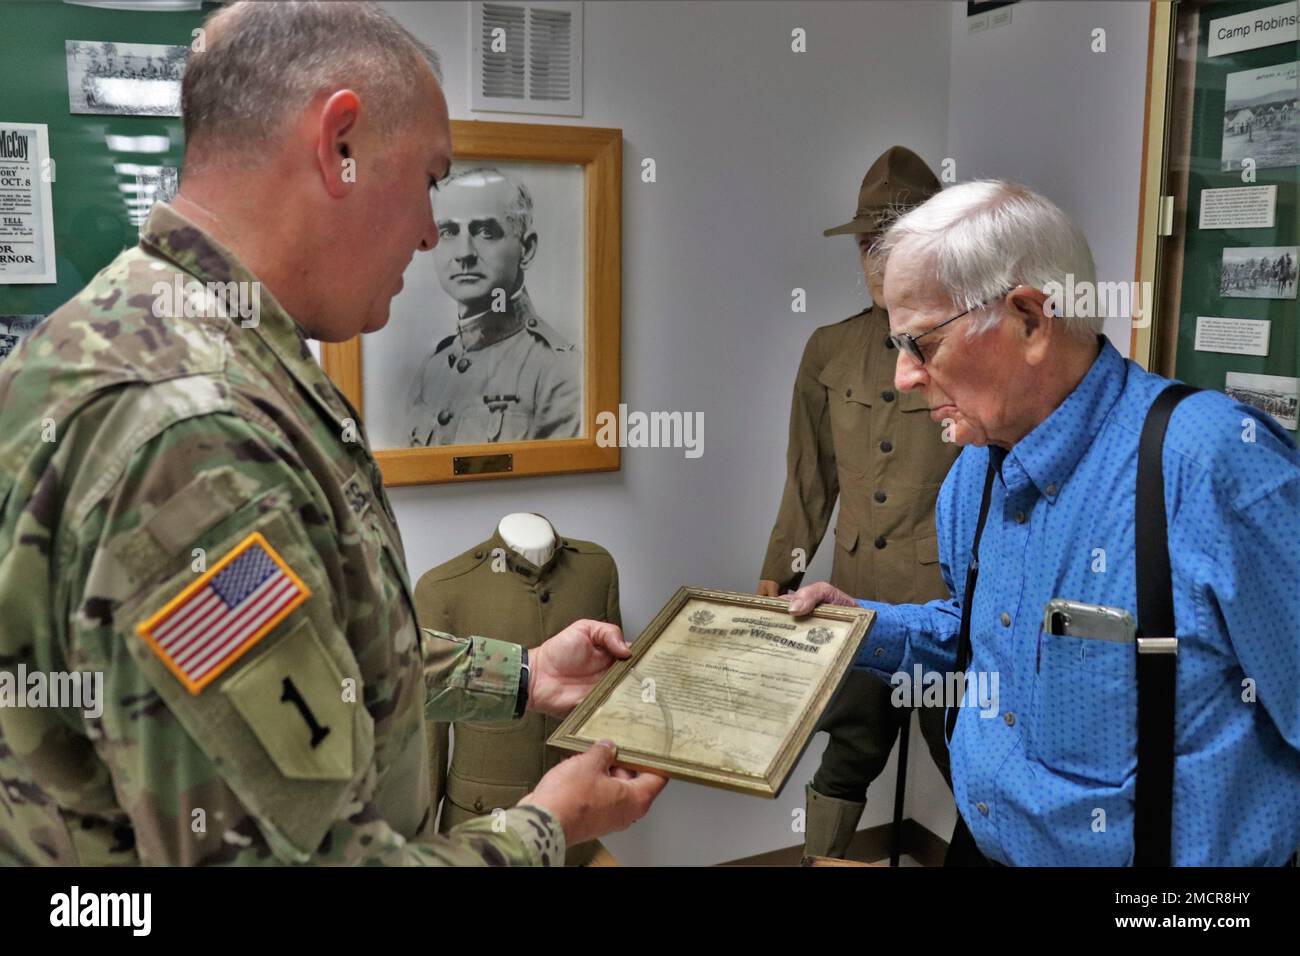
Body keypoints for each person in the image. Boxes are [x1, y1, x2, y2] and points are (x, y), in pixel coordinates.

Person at [0, 0, 663, 866]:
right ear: (340, 144)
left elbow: (301, 651)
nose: (431, 235)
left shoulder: (155, 332)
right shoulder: (193, 435)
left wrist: (522, 675)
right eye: (429, 181)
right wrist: (548, 824)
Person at [788, 179, 1300, 866]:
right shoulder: (973, 469)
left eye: (921, 344)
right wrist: (861, 628)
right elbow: (980, 639)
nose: (905, 377)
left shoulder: (1211, 464)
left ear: (1029, 318)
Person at [758, 146, 957, 858]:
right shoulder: (829, 349)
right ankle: (823, 861)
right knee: (849, 749)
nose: (878, 258)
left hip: (940, 604)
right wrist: (778, 576)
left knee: (968, 758)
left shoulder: (963, 348)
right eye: (869, 243)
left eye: (895, 242)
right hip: (853, 598)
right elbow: (808, 481)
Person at [406, 167, 581, 446]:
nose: (464, 253)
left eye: (486, 232)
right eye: (448, 232)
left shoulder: (559, 373)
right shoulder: (432, 369)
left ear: (527, 249)